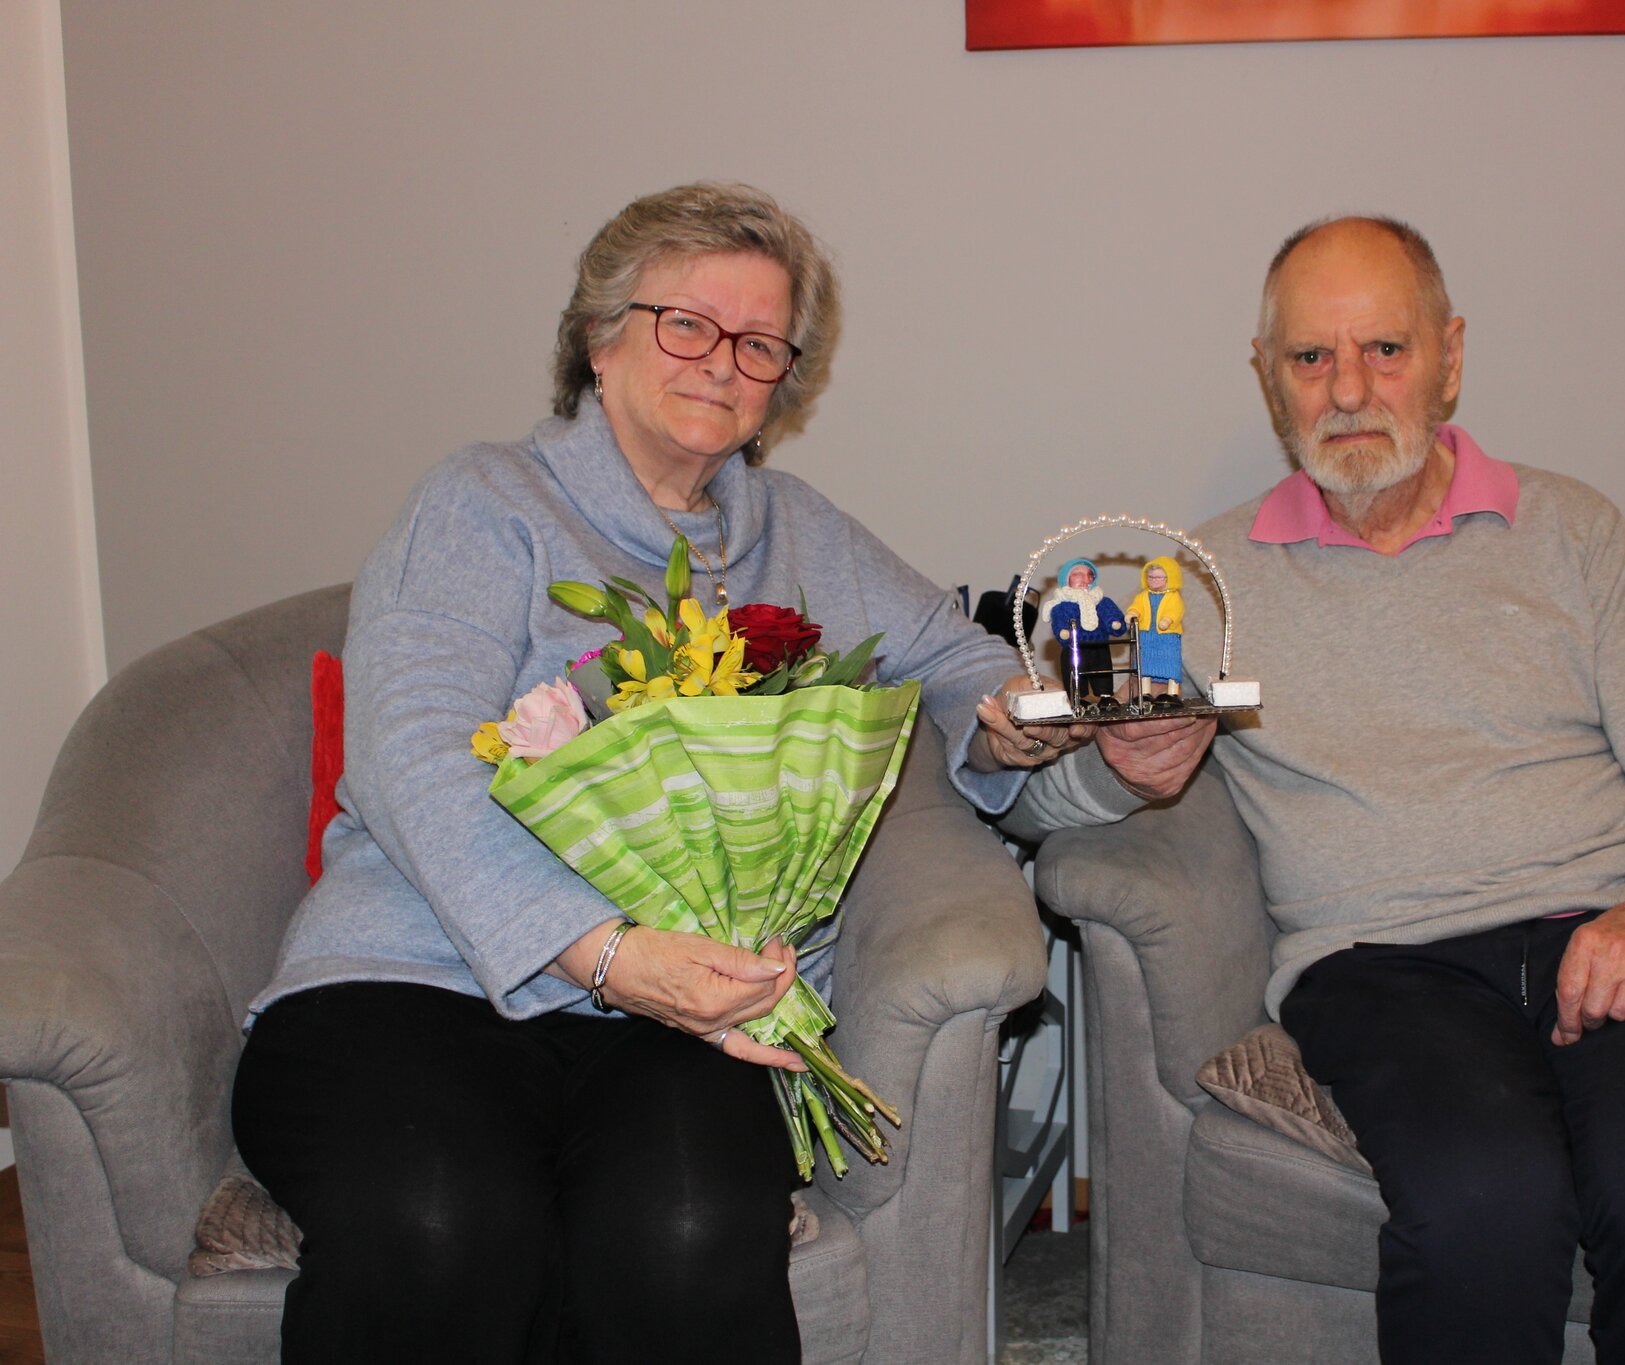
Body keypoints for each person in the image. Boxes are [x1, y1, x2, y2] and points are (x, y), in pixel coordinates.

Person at [231, 181, 1108, 1364]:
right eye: (683, 323)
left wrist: (1001, 720)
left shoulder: (795, 532)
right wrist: (600, 949)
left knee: (688, 1233)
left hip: (687, 1016)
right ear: (601, 338)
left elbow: (953, 659)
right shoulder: (485, 503)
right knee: (442, 1229)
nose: (722, 364)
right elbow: (408, 752)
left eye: (759, 343)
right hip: (415, 976)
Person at [1010, 217, 1625, 1363]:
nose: (1348, 390)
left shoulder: (1570, 528)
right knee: (1482, 1200)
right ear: (1267, 377)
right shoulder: (1197, 583)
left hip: (1611, 918)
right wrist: (1114, 770)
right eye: (1310, 358)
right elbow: (1037, 809)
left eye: (1385, 349)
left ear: (1449, 357)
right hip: (1384, 967)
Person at [1045, 556, 1127, 703]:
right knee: (1075, 673)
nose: (1085, 579)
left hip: (1098, 645)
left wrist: (1114, 623)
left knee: (1103, 672)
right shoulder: (1062, 605)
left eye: (1089, 575)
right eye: (1078, 574)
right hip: (1074, 647)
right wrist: (1063, 632)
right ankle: (1078, 698)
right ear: (1067, 579)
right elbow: (1059, 620)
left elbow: (1110, 614)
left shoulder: (1101, 601)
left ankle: (1106, 697)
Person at [1125, 556, 1184, 702]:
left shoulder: (1173, 596)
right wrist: (1132, 613)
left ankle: (1172, 693)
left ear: (1169, 578)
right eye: (1150, 577)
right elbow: (1136, 606)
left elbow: (1176, 610)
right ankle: (1145, 693)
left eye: (1158, 577)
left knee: (1171, 663)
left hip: (1167, 637)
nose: (1153, 580)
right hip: (1146, 635)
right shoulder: (1143, 595)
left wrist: (1168, 619)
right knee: (1144, 664)